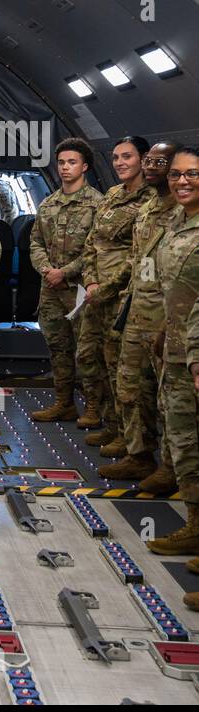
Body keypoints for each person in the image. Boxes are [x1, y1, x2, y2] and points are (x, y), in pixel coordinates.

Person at [101, 141, 179, 484]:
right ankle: (139, 455)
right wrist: (112, 293)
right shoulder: (148, 208)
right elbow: (137, 261)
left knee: (169, 397)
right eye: (148, 160)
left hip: (168, 316)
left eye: (160, 162)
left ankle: (173, 467)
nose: (150, 165)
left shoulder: (182, 210)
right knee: (131, 386)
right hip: (137, 309)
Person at [76, 135, 151, 457]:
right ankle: (111, 425)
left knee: (125, 371)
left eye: (127, 157)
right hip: (96, 294)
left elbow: (138, 256)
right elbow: (93, 242)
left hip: (123, 298)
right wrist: (91, 282)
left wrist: (105, 289)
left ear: (144, 160)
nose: (120, 163)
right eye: (116, 157)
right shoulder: (112, 195)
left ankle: (132, 439)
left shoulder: (151, 201)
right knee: (96, 361)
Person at [148, 146, 199, 602]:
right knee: (185, 444)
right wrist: (165, 331)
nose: (182, 182)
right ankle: (196, 527)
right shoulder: (176, 224)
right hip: (180, 352)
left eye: (193, 175)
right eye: (177, 175)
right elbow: (175, 289)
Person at [29, 139, 103, 421]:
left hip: (81, 289)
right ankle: (64, 402)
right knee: (58, 348)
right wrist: (47, 270)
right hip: (50, 289)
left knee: (87, 351)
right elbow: (35, 242)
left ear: (84, 166)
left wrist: (66, 272)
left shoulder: (97, 204)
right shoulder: (48, 204)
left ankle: (95, 408)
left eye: (72, 162)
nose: (65, 168)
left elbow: (96, 248)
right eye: (61, 162)